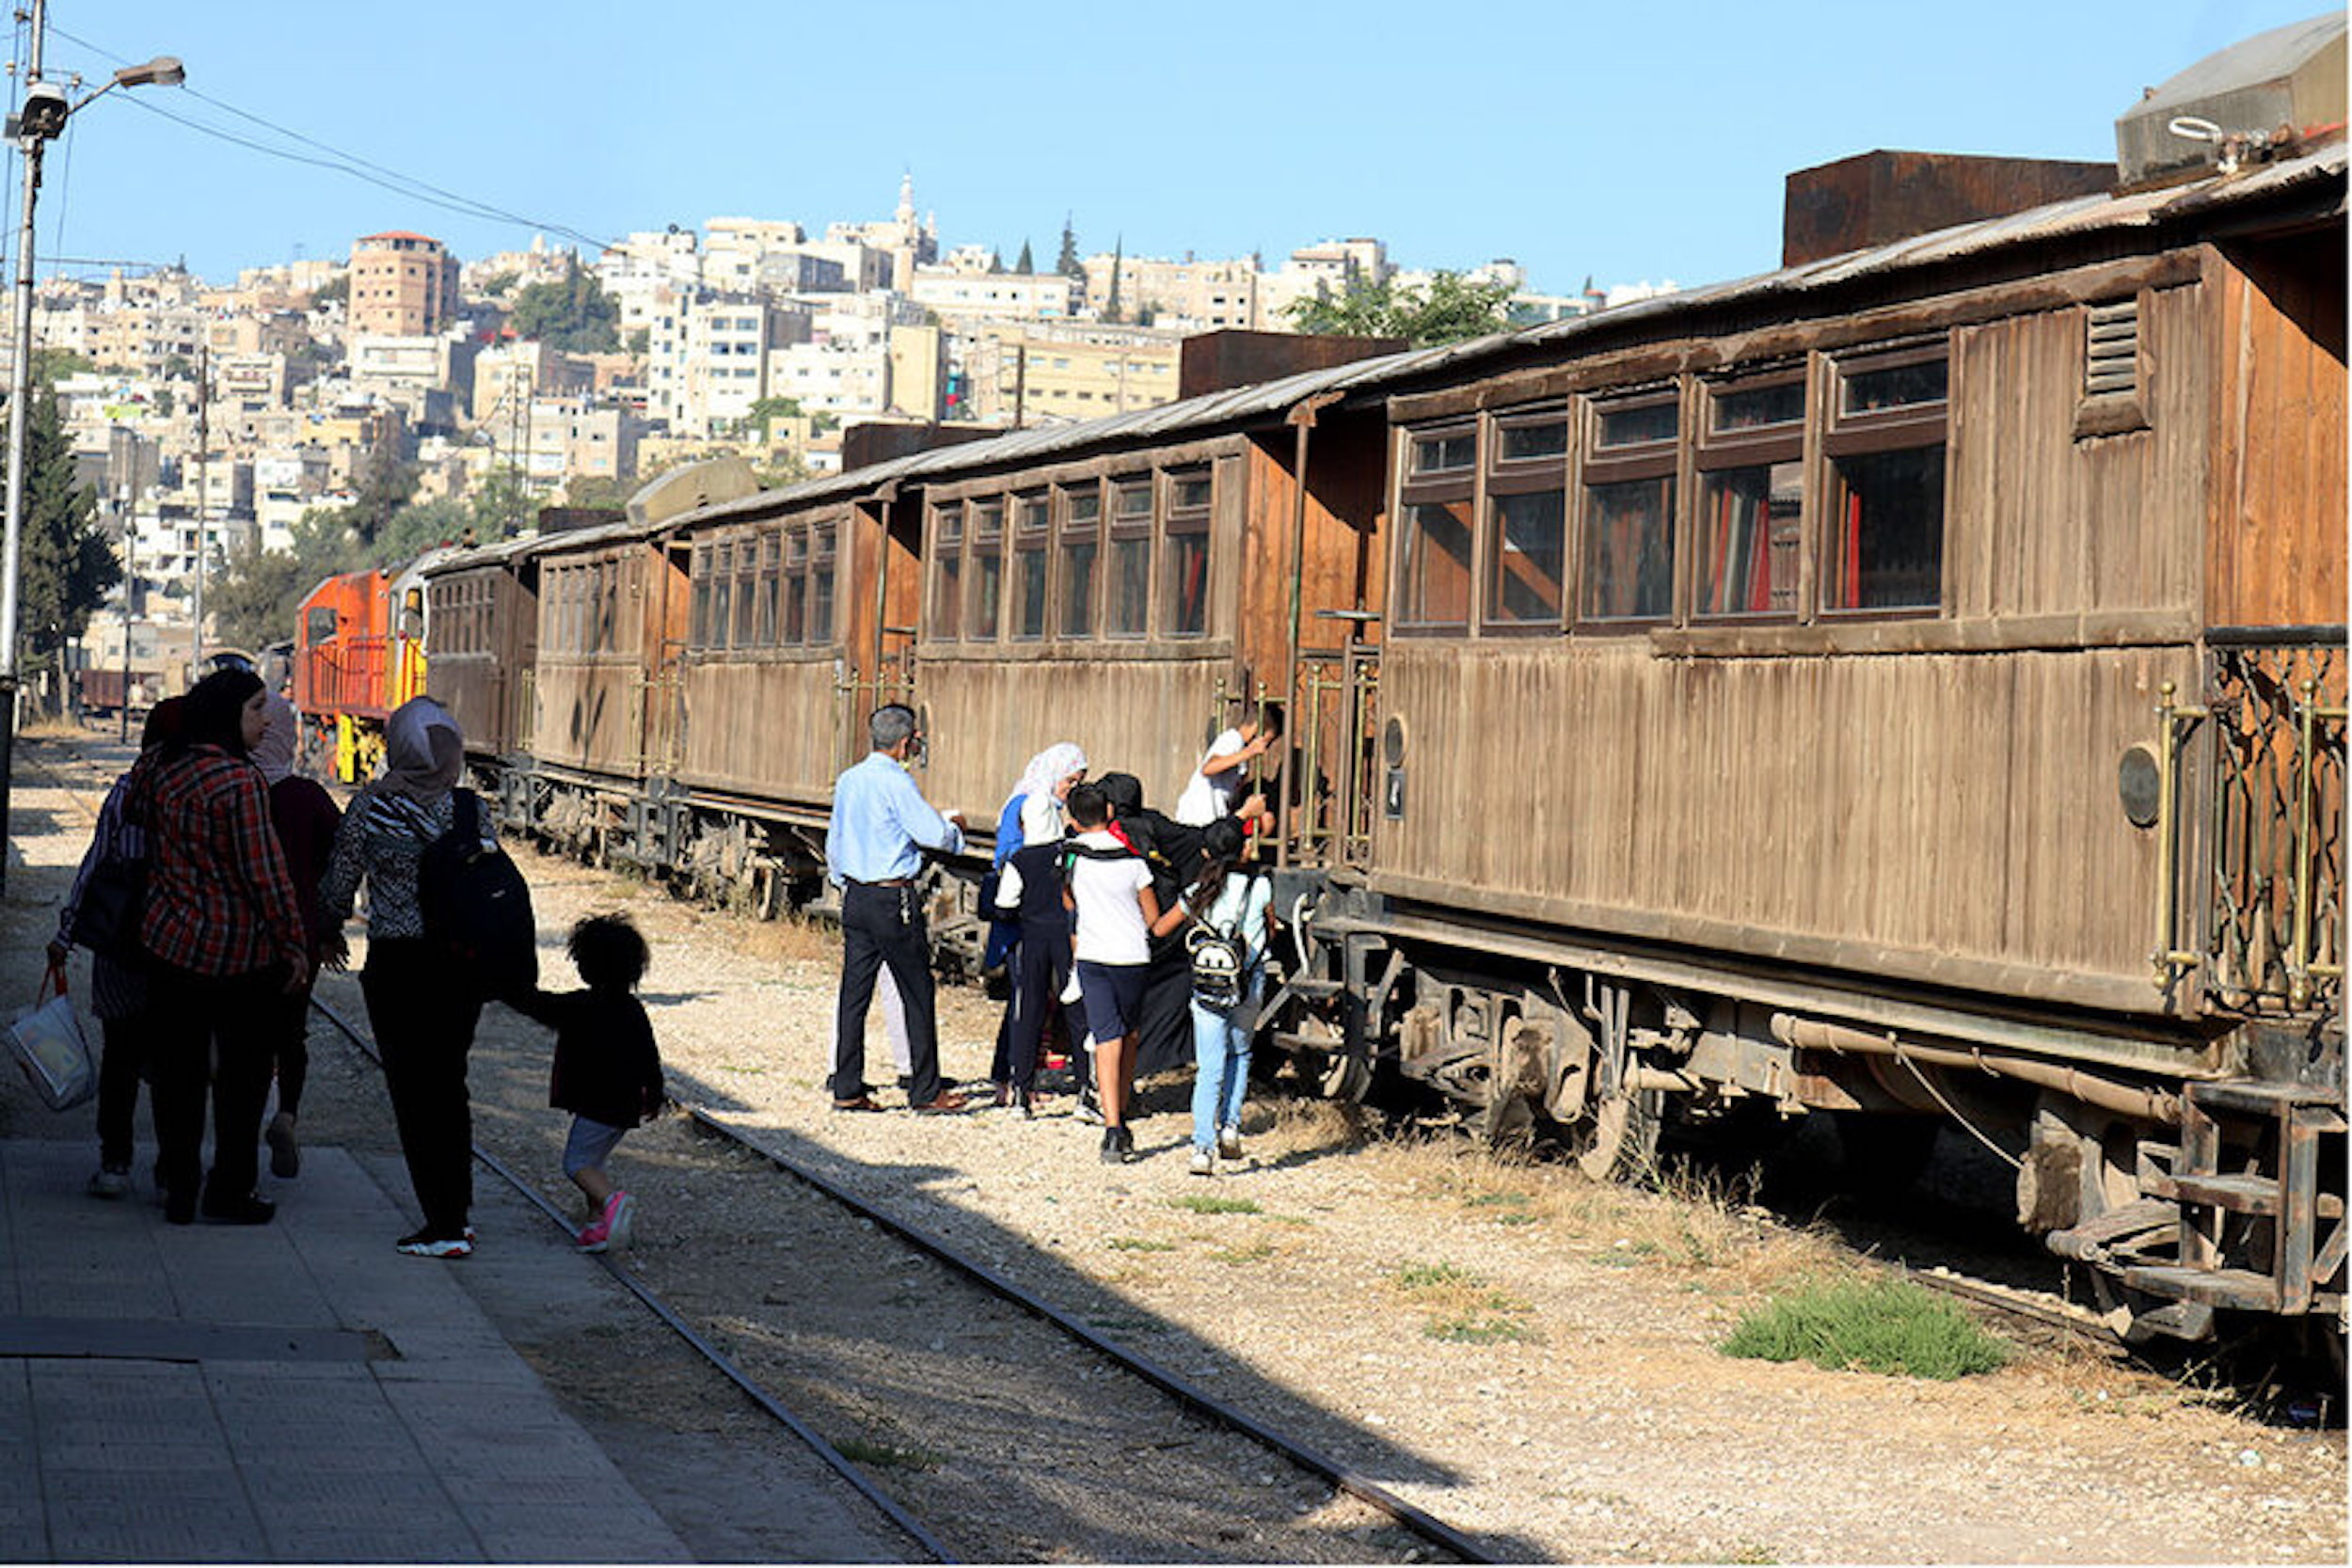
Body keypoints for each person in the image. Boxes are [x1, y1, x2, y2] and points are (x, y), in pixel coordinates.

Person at [137, 670, 310, 1226]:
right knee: (241, 1085)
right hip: (239, 957)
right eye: (256, 708)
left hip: (169, 947)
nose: (266, 721)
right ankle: (230, 1191)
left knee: (178, 1079)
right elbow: (266, 876)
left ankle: (178, 1185)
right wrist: (294, 944)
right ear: (227, 715)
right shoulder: (241, 783)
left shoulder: (160, 768)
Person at [321, 697, 492, 1257]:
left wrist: (327, 931)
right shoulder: (469, 810)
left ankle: (442, 1227)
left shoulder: (373, 805)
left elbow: (339, 882)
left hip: (400, 966)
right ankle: (458, 1213)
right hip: (461, 966)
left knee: (414, 1094)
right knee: (449, 1084)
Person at [49, 696, 186, 1198]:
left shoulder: (127, 790)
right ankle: (172, 1170)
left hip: (120, 944)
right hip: (176, 946)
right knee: (175, 1064)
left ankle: (115, 1163)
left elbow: (95, 864)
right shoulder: (193, 792)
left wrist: (66, 934)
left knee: (120, 1057)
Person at [825, 704, 968, 1114]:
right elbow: (931, 833)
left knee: (854, 994)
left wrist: (842, 882)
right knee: (916, 991)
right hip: (893, 897)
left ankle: (846, 1085)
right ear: (905, 744)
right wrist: (954, 830)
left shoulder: (849, 779)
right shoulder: (897, 782)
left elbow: (836, 840)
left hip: (856, 895)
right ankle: (925, 1091)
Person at [505, 914, 665, 1254]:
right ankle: (598, 1226)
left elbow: (537, 1005)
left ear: (588, 966)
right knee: (594, 1161)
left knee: (576, 1164)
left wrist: (505, 985)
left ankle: (613, 1202)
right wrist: (654, 1094)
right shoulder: (633, 1009)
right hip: (624, 1105)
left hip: (597, 1105)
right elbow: (649, 1056)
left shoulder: (580, 1006)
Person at [1061, 783, 1186, 1162]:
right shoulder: (1135, 863)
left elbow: (1068, 901)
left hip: (1093, 955)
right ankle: (1124, 1102)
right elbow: (1153, 921)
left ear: (1073, 820)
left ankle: (1112, 1128)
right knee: (1129, 1034)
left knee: (1105, 1036)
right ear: (1111, 813)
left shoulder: (1073, 859)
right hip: (1131, 957)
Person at [251, 689, 340, 1180]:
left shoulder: (232, 787)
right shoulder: (307, 797)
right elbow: (341, 863)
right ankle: (285, 1113)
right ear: (286, 737)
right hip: (299, 937)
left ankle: (237, 1129)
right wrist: (328, 928)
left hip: (238, 936)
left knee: (241, 1034)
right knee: (291, 1033)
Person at [985, 743, 1087, 1101]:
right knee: (1025, 1002)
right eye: (1070, 781)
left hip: (1034, 920)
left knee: (1032, 1002)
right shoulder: (1025, 804)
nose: (1072, 789)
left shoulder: (1050, 808)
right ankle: (1010, 1078)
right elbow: (1008, 855)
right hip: (1023, 925)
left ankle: (1020, 1077)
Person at [1175, 820, 1273, 1176]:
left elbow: (1170, 925)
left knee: (1209, 1066)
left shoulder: (1199, 890)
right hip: (1248, 980)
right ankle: (1230, 1126)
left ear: (1206, 852)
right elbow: (1270, 927)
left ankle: (1202, 1147)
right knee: (1240, 1053)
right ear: (1242, 850)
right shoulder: (1260, 886)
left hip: (1208, 985)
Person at [991, 815, 1082, 1118]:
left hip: (1032, 938)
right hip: (1067, 937)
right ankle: (1086, 1089)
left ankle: (1021, 1091)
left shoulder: (1021, 859)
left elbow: (1004, 906)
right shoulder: (1070, 853)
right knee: (1076, 1008)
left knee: (1029, 1011)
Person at [1172, 701, 1281, 832]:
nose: (1266, 747)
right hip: (1198, 817)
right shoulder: (1232, 739)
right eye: (1267, 740)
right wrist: (1249, 752)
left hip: (1212, 818)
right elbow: (1208, 768)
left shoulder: (1240, 751)